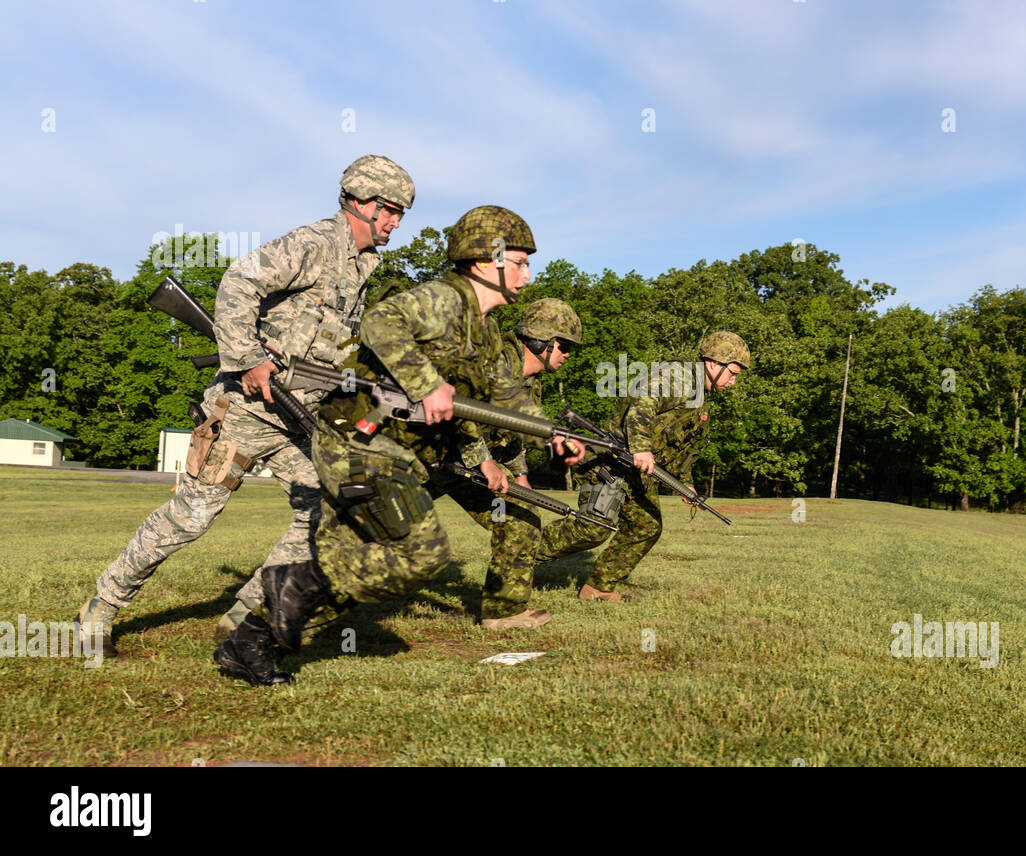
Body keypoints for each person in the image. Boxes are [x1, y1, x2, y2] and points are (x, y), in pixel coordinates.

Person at [213, 206, 583, 685]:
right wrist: (427, 383)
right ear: (482, 263)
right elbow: (380, 323)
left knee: (362, 560)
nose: (527, 275)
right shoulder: (443, 300)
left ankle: (248, 644)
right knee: (421, 554)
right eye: (518, 262)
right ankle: (284, 592)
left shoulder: (486, 334)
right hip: (360, 440)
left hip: (393, 452)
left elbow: (504, 397)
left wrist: (553, 433)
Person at [75, 155, 414, 656]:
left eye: (401, 212)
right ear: (359, 201)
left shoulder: (363, 266)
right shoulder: (315, 244)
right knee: (188, 519)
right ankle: (101, 607)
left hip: (297, 421)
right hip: (244, 413)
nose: (395, 221)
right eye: (389, 209)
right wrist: (250, 359)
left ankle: (244, 615)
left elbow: (331, 346)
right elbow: (239, 280)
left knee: (321, 513)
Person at [532, 332, 750, 601]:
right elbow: (642, 402)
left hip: (636, 472)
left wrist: (684, 481)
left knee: (645, 527)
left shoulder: (699, 397)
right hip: (612, 463)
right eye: (733, 373)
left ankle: (597, 589)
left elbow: (681, 446)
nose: (734, 381)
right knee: (593, 526)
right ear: (714, 364)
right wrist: (641, 447)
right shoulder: (678, 378)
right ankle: (514, 561)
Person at [428, 297, 585, 630]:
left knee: (520, 516)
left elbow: (511, 434)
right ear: (542, 341)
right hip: (428, 458)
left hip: (458, 466)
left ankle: (504, 611)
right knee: (368, 535)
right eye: (564, 344)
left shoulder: (529, 382)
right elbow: (459, 413)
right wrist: (485, 462)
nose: (569, 353)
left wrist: (520, 474)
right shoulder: (496, 363)